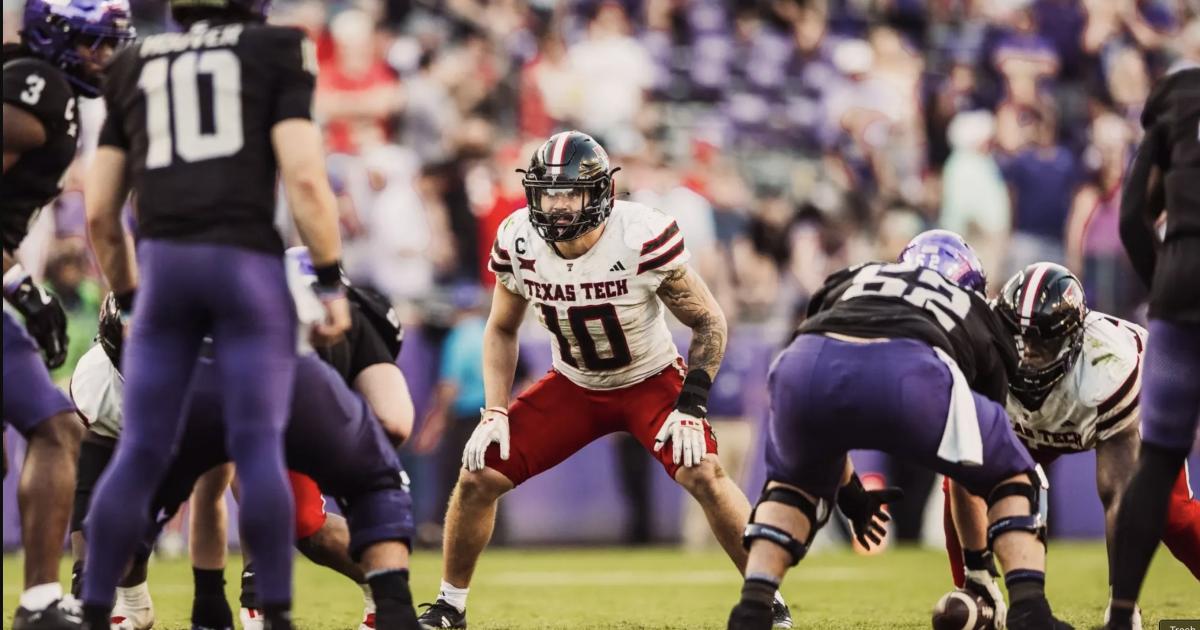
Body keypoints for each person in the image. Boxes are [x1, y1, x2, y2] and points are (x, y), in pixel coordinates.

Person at [417, 130, 791, 629]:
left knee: (704, 471)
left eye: (570, 191)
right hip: (574, 384)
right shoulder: (519, 238)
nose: (558, 205)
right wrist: (494, 410)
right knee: (477, 474)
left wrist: (691, 404)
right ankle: (449, 606)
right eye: (548, 193)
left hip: (649, 379)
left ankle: (767, 601)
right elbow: (501, 328)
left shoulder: (641, 234)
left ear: (600, 192)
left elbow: (709, 321)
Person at [80, 0, 352, 626]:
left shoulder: (132, 62)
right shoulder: (276, 48)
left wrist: (126, 296)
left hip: (165, 267)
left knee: (141, 452)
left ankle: (94, 610)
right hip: (243, 264)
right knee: (255, 446)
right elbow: (305, 177)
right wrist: (330, 278)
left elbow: (100, 212)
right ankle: (273, 613)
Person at [727, 230, 1072, 630]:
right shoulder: (974, 309)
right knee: (1014, 474)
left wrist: (850, 490)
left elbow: (830, 370)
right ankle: (1030, 611)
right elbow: (972, 471)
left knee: (792, 491)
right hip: (911, 368)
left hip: (802, 365)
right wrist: (978, 571)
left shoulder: (854, 275)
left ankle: (753, 608)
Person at [70, 285, 419, 630]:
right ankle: (133, 604)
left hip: (271, 393)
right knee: (123, 515)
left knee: (305, 519)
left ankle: (386, 594)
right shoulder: (100, 385)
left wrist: (249, 586)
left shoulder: (229, 348)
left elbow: (232, 474)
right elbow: (91, 480)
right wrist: (81, 578)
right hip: (204, 409)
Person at [943, 262, 1200, 630]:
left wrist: (1123, 606)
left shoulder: (1110, 365)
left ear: (1072, 338)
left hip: (1096, 413)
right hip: (1030, 420)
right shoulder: (984, 343)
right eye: (1019, 336)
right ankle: (976, 588)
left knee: (1169, 513)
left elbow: (1120, 496)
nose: (1027, 352)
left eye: (1040, 341)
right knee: (964, 473)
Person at [3, 1, 133, 627]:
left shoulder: (46, 89)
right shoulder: (38, 88)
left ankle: (40, 604)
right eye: (94, 44)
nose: (104, 58)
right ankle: (39, 605)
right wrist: (17, 283)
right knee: (57, 430)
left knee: (44, 436)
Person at [1105, 68, 1200, 630]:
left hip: (1183, 281)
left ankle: (1121, 618)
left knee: (1158, 462)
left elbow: (1132, 219)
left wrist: (1165, 286)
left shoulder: (1180, 100)